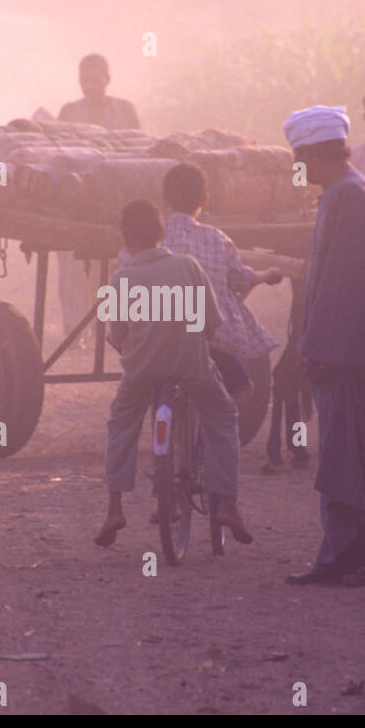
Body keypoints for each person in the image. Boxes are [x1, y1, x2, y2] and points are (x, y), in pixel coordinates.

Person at [282, 106, 365, 587]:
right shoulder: (342, 195)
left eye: (295, 159)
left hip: (364, 356)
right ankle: (341, 556)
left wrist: (326, 350)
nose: (294, 169)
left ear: (309, 156)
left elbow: (349, 287)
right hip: (346, 350)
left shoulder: (353, 199)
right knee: (345, 455)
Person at [95, 200, 253, 548]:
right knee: (223, 416)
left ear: (125, 238)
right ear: (161, 232)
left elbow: (118, 337)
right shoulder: (188, 266)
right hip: (192, 366)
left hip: (142, 373)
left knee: (121, 423)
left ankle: (114, 508)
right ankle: (227, 503)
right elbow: (212, 323)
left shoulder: (122, 279)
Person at [119, 162, 282, 397]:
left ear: (164, 199)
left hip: (150, 346)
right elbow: (241, 279)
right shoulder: (217, 239)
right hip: (204, 346)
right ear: (205, 200)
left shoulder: (149, 237)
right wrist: (268, 274)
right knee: (244, 391)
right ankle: (216, 432)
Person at [56, 54, 141, 348]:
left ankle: (105, 331)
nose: (90, 86)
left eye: (96, 79)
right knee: (71, 267)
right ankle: (74, 331)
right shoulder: (68, 112)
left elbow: (140, 150)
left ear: (108, 79)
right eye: (85, 80)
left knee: (108, 269)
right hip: (77, 198)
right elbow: (59, 154)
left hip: (114, 199)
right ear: (79, 80)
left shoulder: (125, 110)